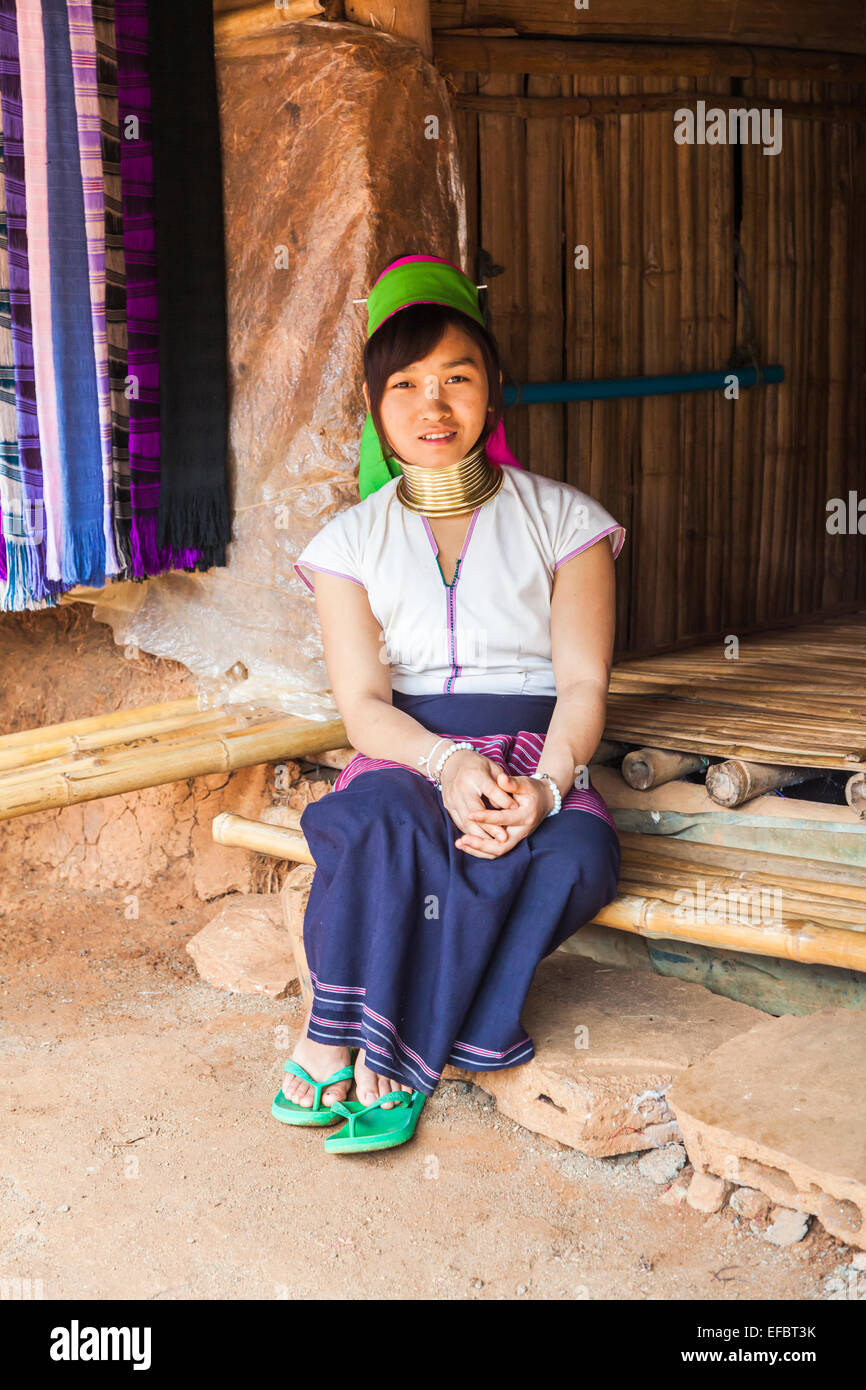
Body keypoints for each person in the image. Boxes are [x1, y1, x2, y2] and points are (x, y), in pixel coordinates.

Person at [273, 253, 626, 1152]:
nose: (433, 407)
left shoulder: (568, 522)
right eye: (406, 385)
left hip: (541, 754)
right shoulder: (348, 544)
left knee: (574, 857)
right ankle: (342, 1044)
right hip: (411, 749)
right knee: (382, 823)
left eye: (456, 380)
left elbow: (583, 685)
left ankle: (388, 1046)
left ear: (493, 389)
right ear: (376, 407)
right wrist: (448, 763)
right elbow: (362, 706)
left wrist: (543, 792)